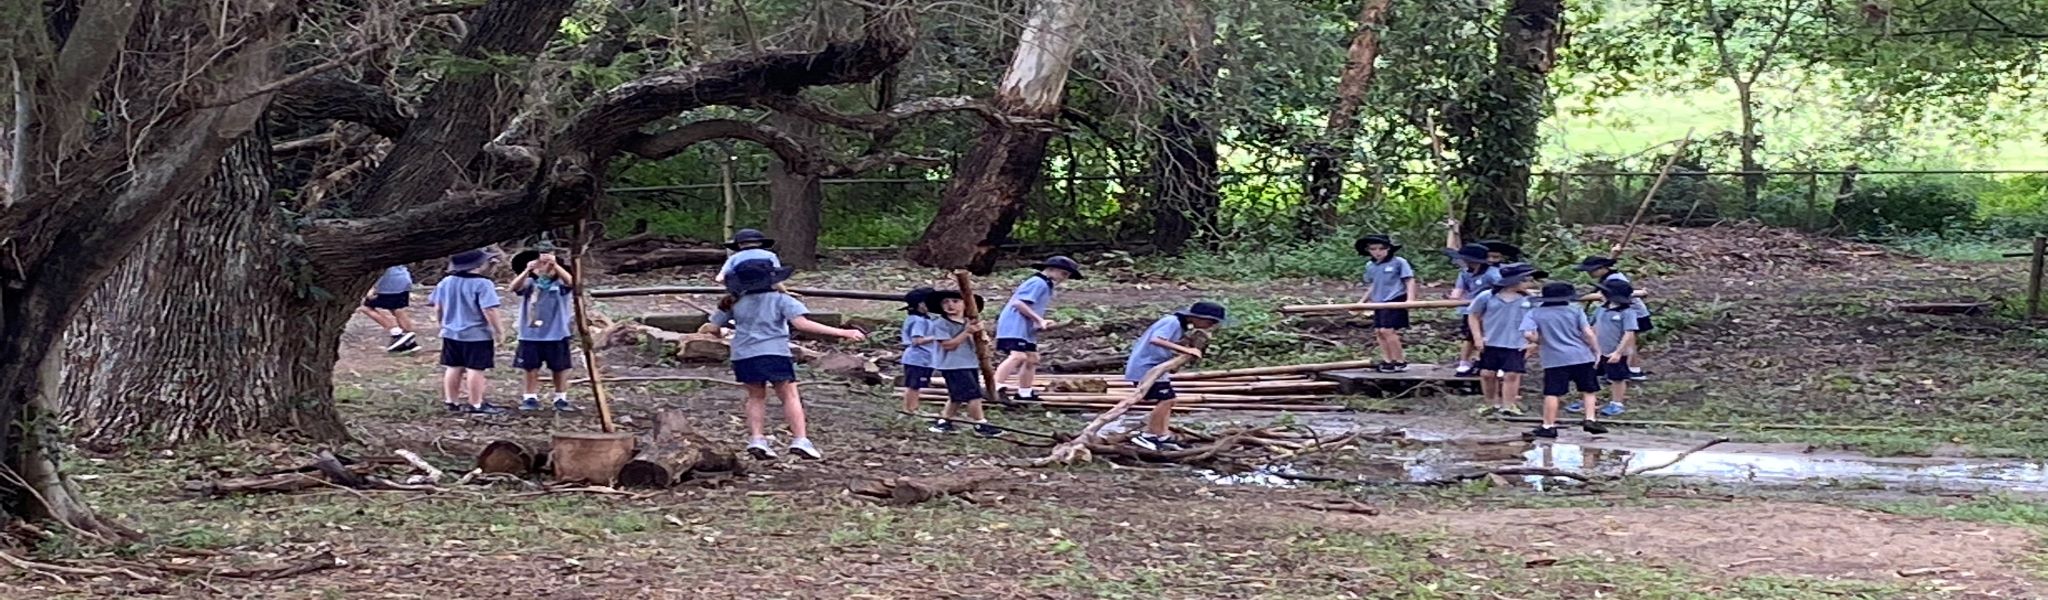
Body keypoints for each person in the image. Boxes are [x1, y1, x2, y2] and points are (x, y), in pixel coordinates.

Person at [710, 259, 865, 460]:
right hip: (774, 352)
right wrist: (843, 332)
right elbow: (802, 324)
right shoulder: (782, 300)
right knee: (789, 395)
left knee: (756, 396)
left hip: (744, 354)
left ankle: (757, 439)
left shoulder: (733, 301)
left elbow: (712, 327)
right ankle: (800, 439)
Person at [1126, 301, 1226, 451]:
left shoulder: (1180, 325)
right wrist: (1186, 351)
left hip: (1157, 368)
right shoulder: (1172, 322)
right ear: (1199, 317)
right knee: (1167, 399)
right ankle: (1148, 435)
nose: (1212, 325)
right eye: (1211, 322)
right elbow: (1157, 340)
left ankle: (1162, 435)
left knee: (1169, 400)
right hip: (1146, 368)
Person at [1520, 282, 1608, 439]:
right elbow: (1587, 333)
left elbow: (1527, 334)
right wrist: (1596, 350)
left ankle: (1548, 426)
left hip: (1554, 359)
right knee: (1589, 389)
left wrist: (1540, 340)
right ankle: (1590, 418)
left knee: (1552, 392)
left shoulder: (1535, 313)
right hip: (1581, 355)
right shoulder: (1575, 311)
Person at [992, 256, 1084, 401]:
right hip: (1014, 325)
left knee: (1032, 359)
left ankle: (1025, 392)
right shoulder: (1038, 282)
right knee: (1018, 356)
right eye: (1063, 274)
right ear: (1051, 270)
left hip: (1026, 327)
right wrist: (1039, 320)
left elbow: (1033, 306)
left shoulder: (1047, 285)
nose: (1064, 279)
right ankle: (994, 386)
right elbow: (1019, 304)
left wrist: (1040, 323)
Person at [429, 250, 505, 414]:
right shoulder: (483, 284)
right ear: (478, 265)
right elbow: (489, 309)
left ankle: (451, 401)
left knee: (453, 367)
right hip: (476, 334)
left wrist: (442, 324)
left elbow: (438, 307)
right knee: (475, 369)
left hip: (451, 333)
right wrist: (498, 331)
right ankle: (476, 403)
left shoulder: (446, 281)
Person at [1466, 263, 1542, 417]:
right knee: (1487, 373)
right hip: (1491, 341)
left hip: (1517, 343)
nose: (1530, 282)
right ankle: (1490, 403)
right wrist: (1477, 337)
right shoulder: (1487, 296)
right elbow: (1473, 315)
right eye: (1527, 279)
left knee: (1511, 374)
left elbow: (1538, 320)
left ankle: (1509, 404)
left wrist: (1535, 341)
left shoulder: (1530, 300)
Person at [925, 289, 1002, 437]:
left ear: (965, 304)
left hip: (969, 363)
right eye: (945, 302)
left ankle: (944, 421)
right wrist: (967, 332)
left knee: (957, 396)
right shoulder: (940, 324)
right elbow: (948, 345)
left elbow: (979, 342)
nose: (950, 305)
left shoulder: (969, 322)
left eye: (955, 301)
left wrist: (981, 337)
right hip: (953, 365)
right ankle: (980, 423)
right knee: (974, 395)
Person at [510, 251, 578, 412]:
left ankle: (560, 397)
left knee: (559, 367)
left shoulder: (560, 285)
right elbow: (513, 287)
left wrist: (555, 265)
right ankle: (530, 396)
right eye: (540, 266)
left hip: (557, 333)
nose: (544, 269)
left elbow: (572, 282)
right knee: (530, 367)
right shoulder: (529, 284)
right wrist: (527, 270)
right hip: (530, 334)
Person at [1573, 255, 1652, 382]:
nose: (1590, 273)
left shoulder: (1615, 278)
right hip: (1618, 311)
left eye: (1592, 270)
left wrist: (1576, 297)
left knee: (1628, 342)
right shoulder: (1607, 277)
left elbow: (1620, 293)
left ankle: (1633, 370)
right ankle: (1617, 369)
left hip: (1632, 312)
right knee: (1619, 342)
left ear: (1602, 268)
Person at [1577, 279, 1642, 417]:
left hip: (1615, 351)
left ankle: (1617, 403)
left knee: (1617, 378)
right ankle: (1588, 400)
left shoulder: (1627, 312)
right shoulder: (1601, 309)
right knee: (1590, 375)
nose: (1600, 294)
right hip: (1598, 351)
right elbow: (1592, 326)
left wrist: (1618, 352)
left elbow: (1629, 333)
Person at [1355, 235, 1418, 372]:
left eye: (1381, 248)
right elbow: (1373, 284)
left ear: (1388, 249)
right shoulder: (1370, 265)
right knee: (1379, 331)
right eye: (1373, 249)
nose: (1378, 252)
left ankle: (1399, 360)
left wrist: (1411, 299)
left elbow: (1409, 280)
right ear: (1368, 250)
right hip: (1378, 301)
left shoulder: (1399, 262)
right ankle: (1388, 360)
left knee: (1387, 330)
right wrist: (1362, 301)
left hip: (1395, 298)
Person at [1443, 243, 1499, 376]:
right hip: (1469, 310)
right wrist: (1452, 298)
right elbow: (1459, 290)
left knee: (1486, 337)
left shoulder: (1493, 274)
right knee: (1469, 337)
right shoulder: (1464, 273)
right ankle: (1464, 362)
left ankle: (1481, 361)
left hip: (1488, 312)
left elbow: (1501, 290)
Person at [359, 265, 420, 353]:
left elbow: (378, 269)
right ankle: (410, 340)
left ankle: (396, 332)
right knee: (397, 308)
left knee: (364, 306)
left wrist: (372, 288)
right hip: (403, 279)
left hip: (387, 282)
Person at [897, 286, 937, 415]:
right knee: (913, 386)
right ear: (921, 304)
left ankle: (913, 408)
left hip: (924, 358)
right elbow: (917, 340)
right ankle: (910, 409)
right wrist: (938, 337)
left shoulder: (925, 319)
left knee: (917, 385)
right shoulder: (918, 321)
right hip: (917, 358)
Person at [715, 229, 781, 284]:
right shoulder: (770, 255)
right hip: (766, 288)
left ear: (739, 245)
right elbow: (777, 274)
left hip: (742, 289)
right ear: (760, 243)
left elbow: (720, 278)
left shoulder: (735, 257)